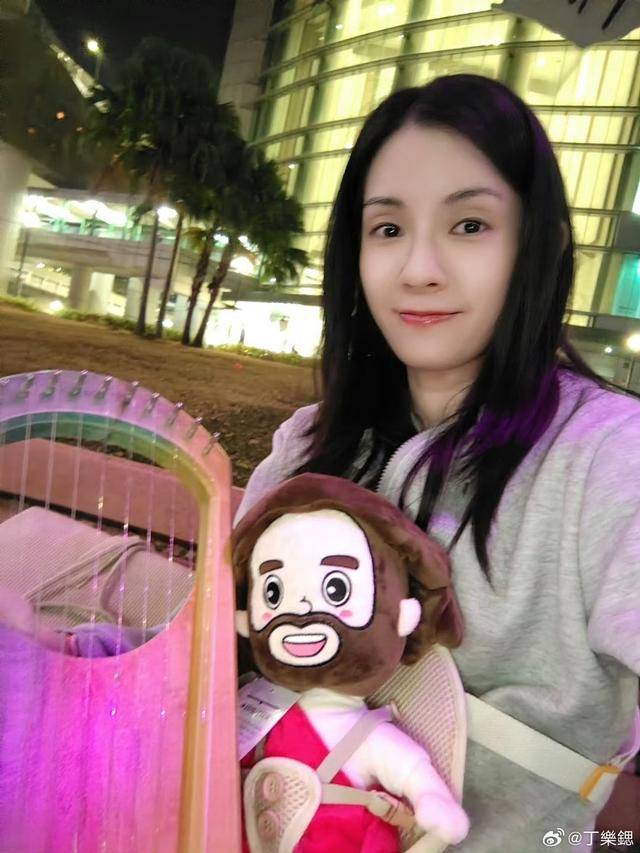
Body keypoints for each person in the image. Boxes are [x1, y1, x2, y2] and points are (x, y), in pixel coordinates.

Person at [233, 74, 640, 852]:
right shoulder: (308, 445)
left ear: (540, 248)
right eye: (387, 228)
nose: (418, 268)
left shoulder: (609, 458)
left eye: (470, 225)